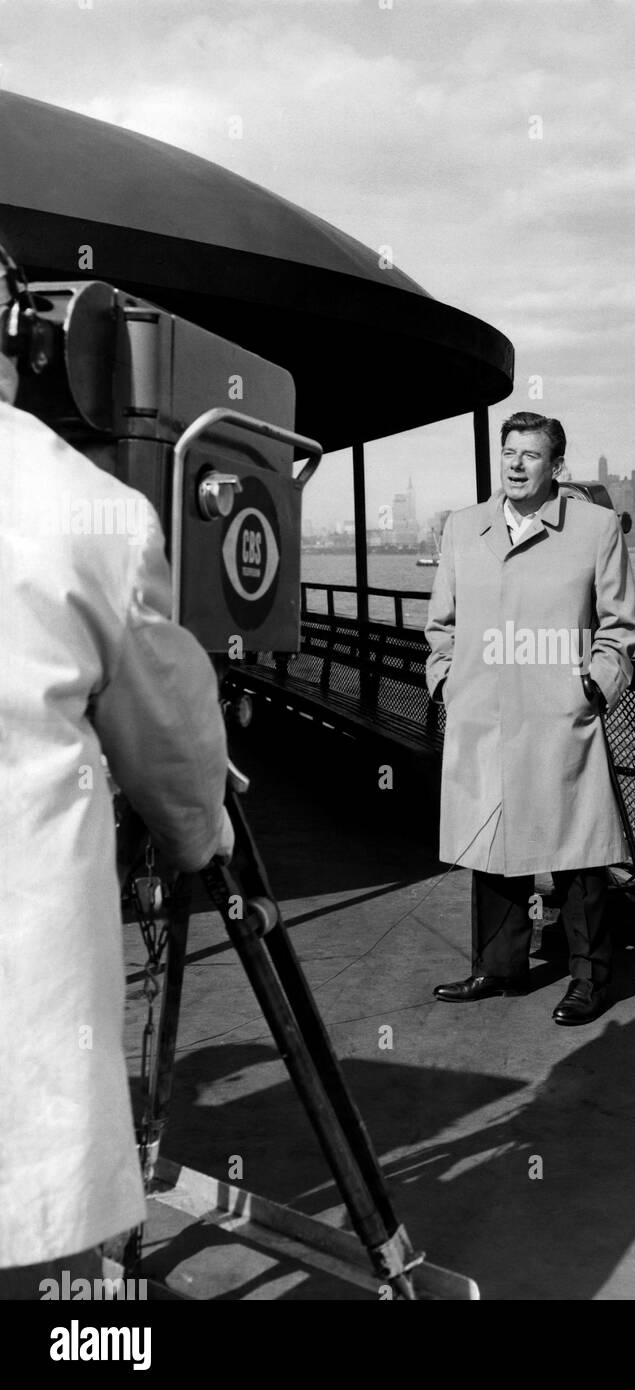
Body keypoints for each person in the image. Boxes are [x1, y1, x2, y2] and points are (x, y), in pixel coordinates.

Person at [0, 247, 233, 1296]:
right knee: (61, 1284)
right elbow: (173, 749)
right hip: (27, 1039)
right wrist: (200, 836)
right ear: (23, 337)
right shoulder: (83, 509)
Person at [425, 411, 635, 1025]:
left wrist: (593, 691)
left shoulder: (596, 528)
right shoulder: (464, 529)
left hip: (558, 716)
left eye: (531, 455)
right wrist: (446, 682)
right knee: (491, 846)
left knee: (577, 853)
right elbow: (440, 624)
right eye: (509, 452)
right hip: (483, 717)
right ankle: (499, 970)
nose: (516, 465)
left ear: (557, 466)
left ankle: (591, 980)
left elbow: (620, 628)